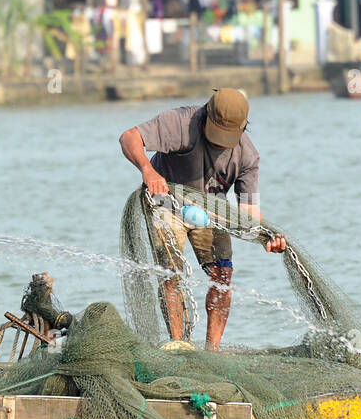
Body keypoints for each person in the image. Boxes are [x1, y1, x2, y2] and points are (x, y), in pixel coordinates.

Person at [118, 88, 286, 351]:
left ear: (242, 129)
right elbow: (129, 138)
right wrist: (148, 171)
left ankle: (212, 350)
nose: (219, 142)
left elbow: (250, 211)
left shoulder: (248, 157)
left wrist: (267, 237)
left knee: (223, 274)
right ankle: (179, 343)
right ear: (206, 115)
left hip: (211, 211)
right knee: (171, 270)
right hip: (166, 201)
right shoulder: (182, 123)